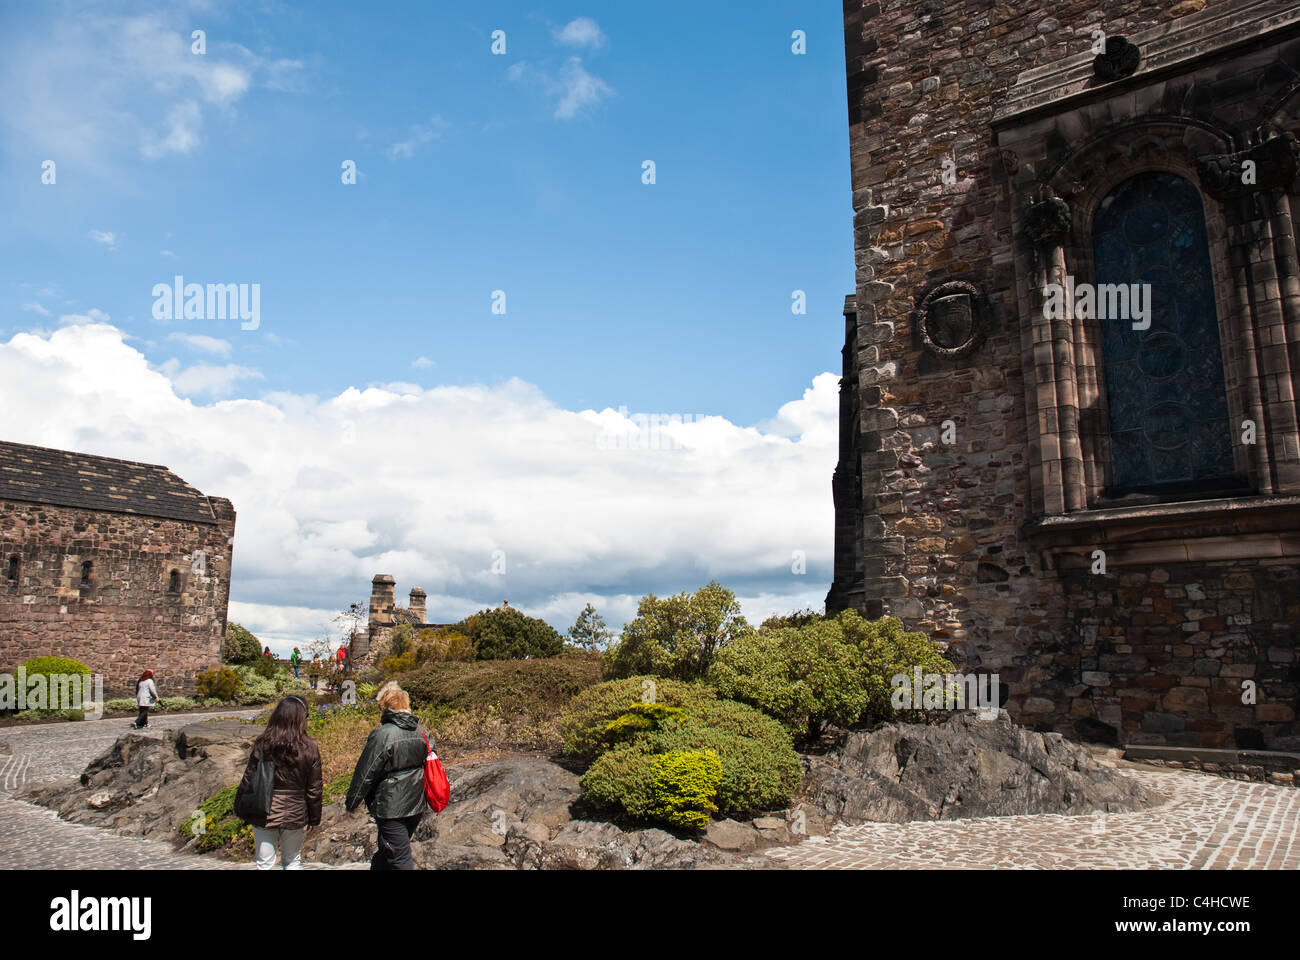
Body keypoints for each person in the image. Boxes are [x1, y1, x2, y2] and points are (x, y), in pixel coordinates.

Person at [345, 681, 432, 870]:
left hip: (391, 805)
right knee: (387, 852)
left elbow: (365, 772)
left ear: (385, 707)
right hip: (416, 802)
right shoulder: (422, 731)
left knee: (399, 858)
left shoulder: (383, 735)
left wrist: (351, 804)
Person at [234, 696, 322, 870]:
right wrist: (314, 818)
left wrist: (240, 807)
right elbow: (314, 787)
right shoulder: (309, 747)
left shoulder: (264, 744)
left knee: (264, 862)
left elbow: (249, 777)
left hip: (264, 808)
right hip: (295, 810)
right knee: (292, 861)